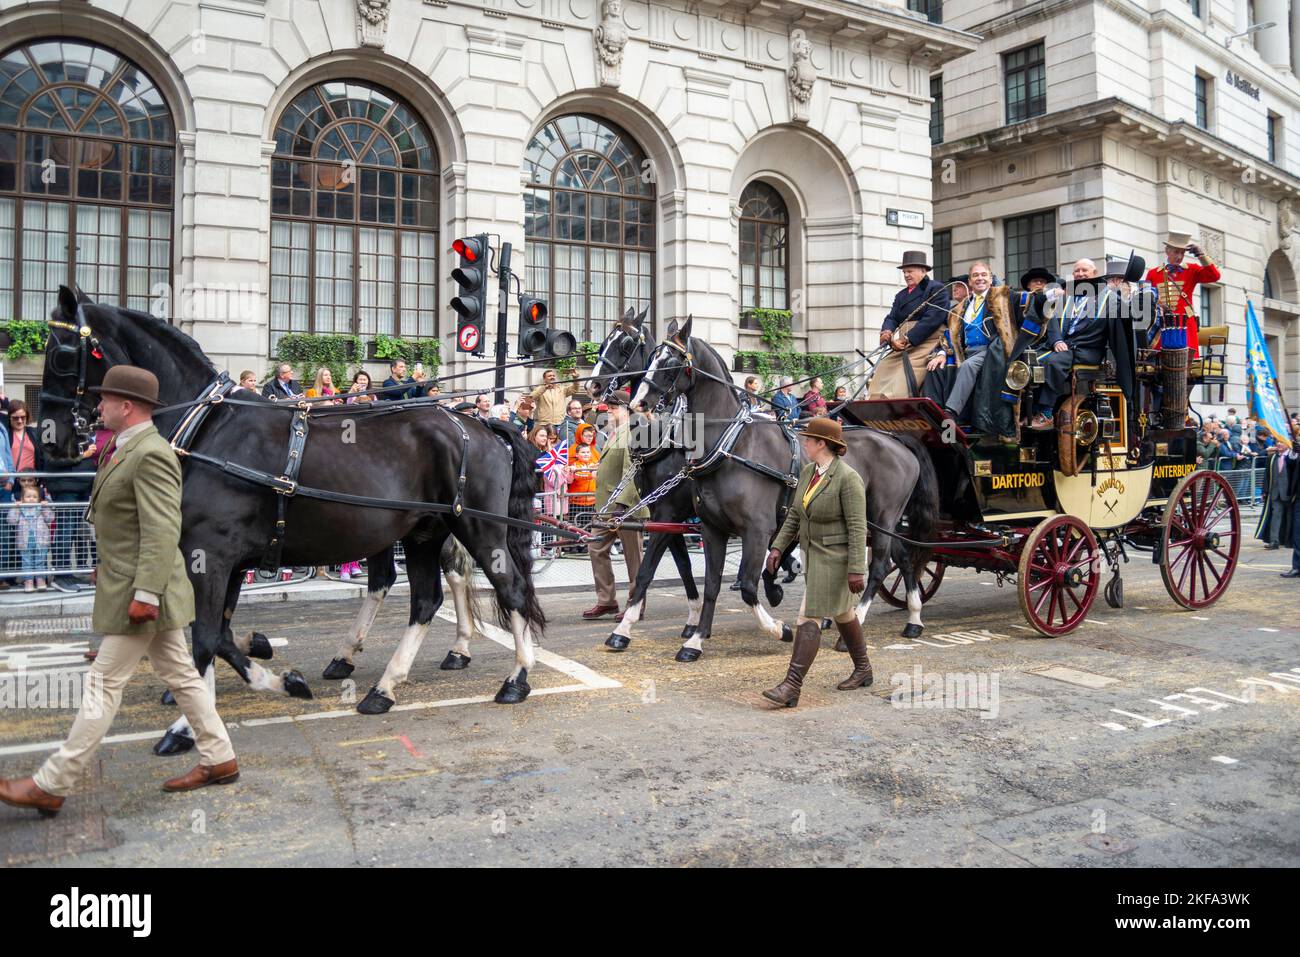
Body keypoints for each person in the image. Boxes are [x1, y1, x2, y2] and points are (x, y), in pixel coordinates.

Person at [0, 366, 239, 818]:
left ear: (126, 406)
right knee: (183, 676)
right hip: (135, 582)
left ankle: (52, 782)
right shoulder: (127, 447)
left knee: (103, 682)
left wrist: (146, 593)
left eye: (105, 399)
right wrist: (106, 565)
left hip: (146, 592)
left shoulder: (150, 453)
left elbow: (163, 528)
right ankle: (219, 756)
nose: (98, 407)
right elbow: (125, 522)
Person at [762, 417, 870, 707]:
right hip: (814, 554)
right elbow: (795, 516)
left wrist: (857, 569)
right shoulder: (810, 472)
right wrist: (777, 549)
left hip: (838, 559)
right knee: (844, 613)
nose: (804, 443)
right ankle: (864, 669)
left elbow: (858, 527)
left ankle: (791, 687)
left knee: (808, 617)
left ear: (822, 443)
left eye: (808, 439)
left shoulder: (848, 479)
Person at [1028, 259, 1123, 430]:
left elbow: (1113, 329)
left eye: (1084, 270)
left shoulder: (1109, 299)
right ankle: (1031, 410)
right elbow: (1053, 320)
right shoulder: (1067, 294)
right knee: (1029, 361)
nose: (1080, 273)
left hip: (1087, 349)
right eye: (1076, 271)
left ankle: (1046, 412)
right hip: (1064, 346)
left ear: (1094, 273)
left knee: (1054, 362)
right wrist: (1056, 340)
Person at [583, 391, 646, 619]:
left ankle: (635, 602)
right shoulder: (612, 433)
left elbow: (632, 471)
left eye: (614, 407)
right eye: (607, 407)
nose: (608, 410)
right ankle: (606, 600)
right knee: (596, 548)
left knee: (634, 558)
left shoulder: (633, 433)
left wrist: (621, 504)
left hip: (626, 507)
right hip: (605, 506)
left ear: (627, 409)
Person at [933, 261, 1014, 426]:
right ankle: (934, 412)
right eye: (975, 275)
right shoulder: (963, 306)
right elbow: (950, 334)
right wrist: (942, 352)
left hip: (990, 351)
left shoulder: (1000, 298)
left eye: (984, 275)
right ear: (969, 282)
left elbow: (1024, 300)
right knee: (937, 369)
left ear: (991, 279)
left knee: (967, 366)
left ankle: (951, 412)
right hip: (966, 351)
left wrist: (1048, 296)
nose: (980, 278)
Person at [870, 250, 951, 398]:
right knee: (883, 367)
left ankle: (897, 405)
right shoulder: (901, 295)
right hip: (903, 345)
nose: (906, 275)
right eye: (904, 272)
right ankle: (876, 402)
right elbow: (892, 317)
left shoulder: (936, 289)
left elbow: (933, 318)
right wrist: (886, 332)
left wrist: (908, 338)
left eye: (909, 271)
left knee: (902, 376)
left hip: (926, 343)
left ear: (923, 271)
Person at [1145, 232, 1220, 357]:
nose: (1179, 256)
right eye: (1176, 252)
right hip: (1163, 327)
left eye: (1182, 253)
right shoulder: (1153, 273)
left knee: (1187, 364)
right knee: (1161, 363)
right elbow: (1147, 299)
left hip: (1186, 326)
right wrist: (1159, 304)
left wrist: (1201, 255)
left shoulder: (1191, 270)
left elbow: (1214, 276)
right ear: (1167, 251)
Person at [8, 483, 53, 592]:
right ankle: (28, 581)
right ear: (22, 499)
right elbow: (11, 520)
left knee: (40, 561)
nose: (31, 499)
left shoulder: (41, 508)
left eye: (34, 497)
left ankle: (40, 580)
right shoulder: (20, 508)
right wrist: (15, 507)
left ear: (38, 499)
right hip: (24, 541)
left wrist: (45, 507)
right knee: (26, 562)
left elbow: (50, 518)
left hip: (41, 541)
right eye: (28, 497)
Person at [1258, 435, 1296, 550]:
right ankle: (1274, 541)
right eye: (1277, 441)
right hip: (1274, 491)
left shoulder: (1293, 457)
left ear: (1288, 444)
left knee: (1291, 517)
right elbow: (1267, 474)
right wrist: (1264, 490)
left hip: (1290, 493)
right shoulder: (1272, 457)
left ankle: (1289, 540)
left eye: (1282, 442)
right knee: (1276, 516)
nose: (1279, 444)